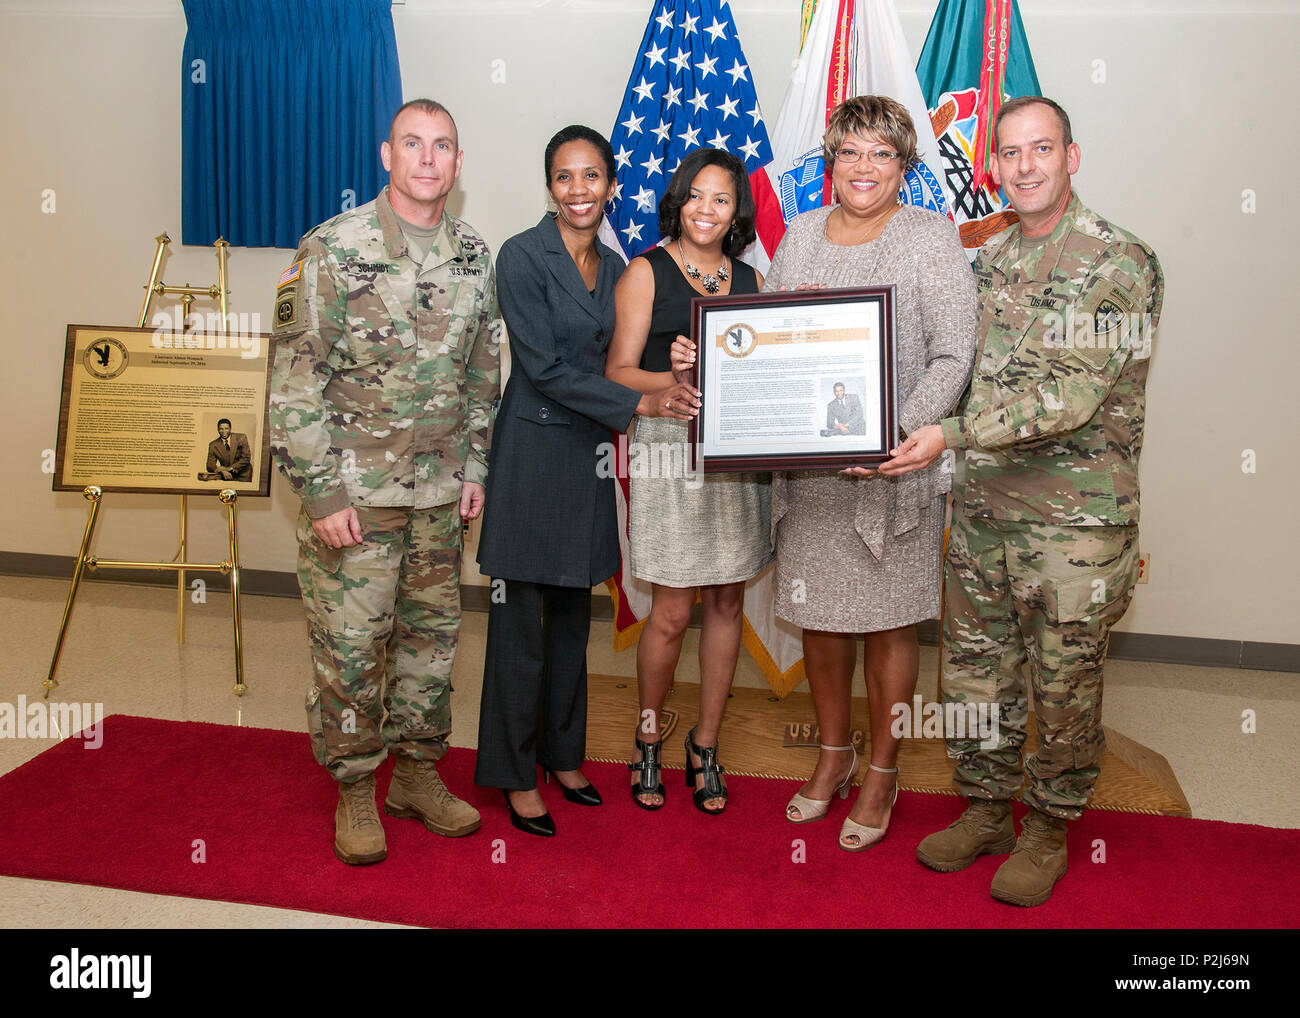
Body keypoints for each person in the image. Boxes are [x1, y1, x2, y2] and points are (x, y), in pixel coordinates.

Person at [880, 96, 1163, 906]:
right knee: (974, 676)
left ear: (1072, 156)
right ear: (992, 167)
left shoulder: (1120, 262)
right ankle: (986, 808)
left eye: (1042, 149)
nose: (1026, 166)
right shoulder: (991, 258)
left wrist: (948, 434)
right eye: (1009, 153)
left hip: (1074, 526)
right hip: (982, 511)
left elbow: (1070, 399)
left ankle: (1048, 822)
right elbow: (949, 354)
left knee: (1063, 684)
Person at [269, 98, 501, 865]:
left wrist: (474, 468)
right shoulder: (334, 248)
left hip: (438, 497)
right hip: (357, 498)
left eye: (443, 146)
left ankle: (418, 775)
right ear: (387, 155)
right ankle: (356, 788)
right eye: (413, 144)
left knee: (432, 646)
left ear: (458, 164)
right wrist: (323, 494)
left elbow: (481, 372)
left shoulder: (474, 254)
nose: (428, 159)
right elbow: (294, 382)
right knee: (351, 648)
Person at [758, 96, 976, 851]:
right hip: (814, 474)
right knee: (820, 617)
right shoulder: (800, 236)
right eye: (849, 152)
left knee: (888, 619)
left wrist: (902, 434)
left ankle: (883, 769)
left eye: (882, 154)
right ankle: (832, 755)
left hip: (899, 466)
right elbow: (773, 344)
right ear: (830, 162)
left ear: (905, 166)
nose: (864, 167)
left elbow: (955, 352)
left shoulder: (930, 238)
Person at [473, 126, 695, 837]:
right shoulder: (520, 255)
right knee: (521, 628)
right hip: (534, 458)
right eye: (565, 177)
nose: (579, 190)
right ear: (550, 186)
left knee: (573, 621)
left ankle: (564, 756)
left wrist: (675, 381)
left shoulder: (616, 261)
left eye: (592, 176)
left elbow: (618, 361)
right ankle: (513, 773)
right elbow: (545, 369)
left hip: (590, 456)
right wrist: (641, 403)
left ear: (610, 185)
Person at [605, 148, 769, 815]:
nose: (708, 209)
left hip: (736, 458)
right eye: (696, 196)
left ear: (737, 211)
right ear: (679, 200)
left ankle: (705, 744)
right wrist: (670, 381)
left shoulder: (754, 280)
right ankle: (648, 736)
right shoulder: (646, 271)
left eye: (722, 199)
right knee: (671, 611)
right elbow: (616, 373)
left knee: (728, 603)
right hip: (671, 452)